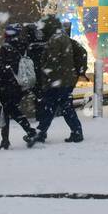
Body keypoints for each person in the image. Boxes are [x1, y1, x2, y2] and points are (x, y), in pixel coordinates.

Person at [28, 16, 85, 146]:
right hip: (63, 80)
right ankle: (74, 132)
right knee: (57, 106)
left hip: (58, 81)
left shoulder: (55, 39)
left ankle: (42, 133)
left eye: (44, 28)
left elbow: (51, 62)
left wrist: (46, 78)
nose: (42, 31)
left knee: (55, 106)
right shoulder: (62, 37)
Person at [0, 23, 36, 149]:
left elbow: (1, 68)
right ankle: (6, 140)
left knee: (8, 112)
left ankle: (29, 132)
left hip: (6, 86)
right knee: (10, 111)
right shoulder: (23, 46)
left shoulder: (6, 47)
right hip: (19, 85)